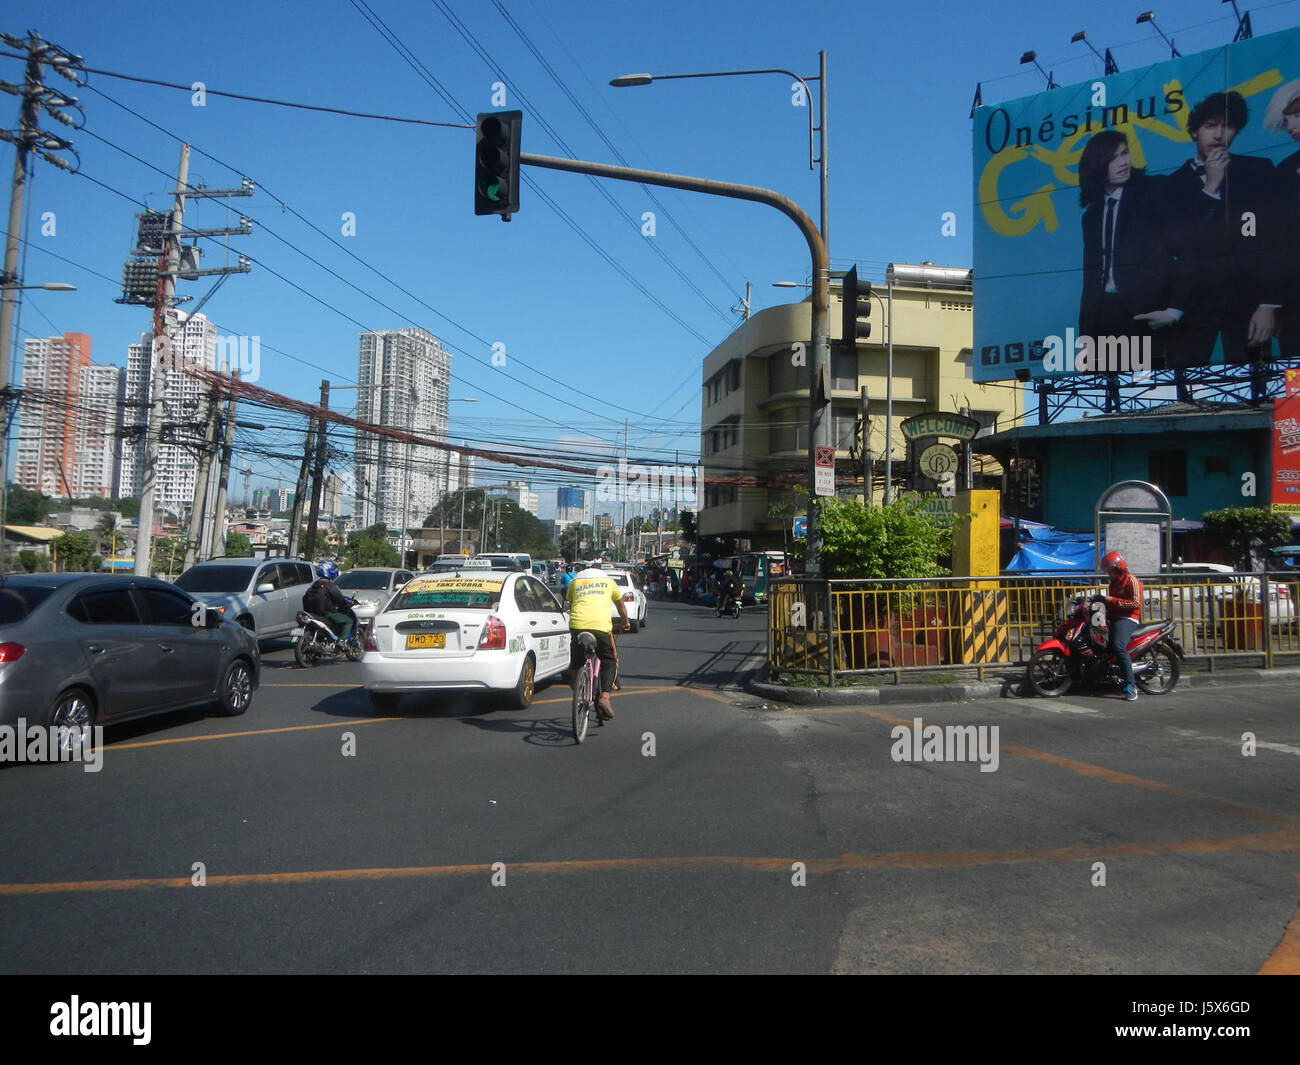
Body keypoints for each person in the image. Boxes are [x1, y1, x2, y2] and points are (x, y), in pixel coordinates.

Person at [1162, 91, 1285, 368]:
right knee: (1184, 392)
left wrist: (1269, 304)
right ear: (1194, 131)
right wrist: (1210, 189)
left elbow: (1273, 242)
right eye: (1210, 126)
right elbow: (1179, 244)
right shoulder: (1171, 186)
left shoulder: (1259, 172)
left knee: (1257, 390)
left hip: (1248, 303)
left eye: (1226, 126)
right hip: (1191, 307)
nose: (1218, 134)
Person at [1076, 130, 1187, 367]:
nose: (1124, 162)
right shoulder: (1091, 216)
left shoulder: (1154, 189)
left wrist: (1174, 310)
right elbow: (1091, 277)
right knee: (1101, 390)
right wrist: (1084, 335)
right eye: (1113, 158)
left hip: (1147, 314)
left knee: (1153, 383)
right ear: (1097, 166)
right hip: (1103, 318)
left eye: (1125, 153)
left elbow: (1185, 251)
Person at [565, 563, 630, 720]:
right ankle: (605, 698)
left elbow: (572, 603)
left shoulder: (575, 582)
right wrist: (625, 622)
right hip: (601, 627)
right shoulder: (609, 582)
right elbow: (620, 605)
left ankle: (576, 681)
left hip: (578, 626)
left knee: (577, 657)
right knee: (609, 660)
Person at [1265, 79, 1300, 358]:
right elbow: (1275, 243)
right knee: (1295, 396)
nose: (1292, 128)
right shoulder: (1285, 172)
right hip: (1294, 307)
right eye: (1286, 120)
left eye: (1297, 115)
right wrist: (1274, 304)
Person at [1102, 551, 1143, 701]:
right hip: (1114, 616)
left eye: (1110, 571)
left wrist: (1110, 600)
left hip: (1128, 619)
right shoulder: (1113, 583)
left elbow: (1136, 603)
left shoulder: (1132, 581)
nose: (1108, 575)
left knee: (1118, 645)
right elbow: (1111, 602)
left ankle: (1131, 686)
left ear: (1118, 568)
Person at [303, 560, 356, 643]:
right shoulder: (329, 585)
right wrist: (346, 604)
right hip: (326, 613)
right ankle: (342, 641)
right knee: (348, 621)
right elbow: (339, 599)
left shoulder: (315, 584)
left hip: (312, 614)